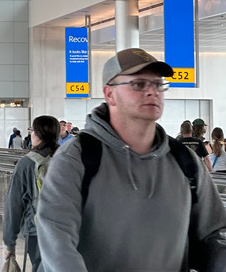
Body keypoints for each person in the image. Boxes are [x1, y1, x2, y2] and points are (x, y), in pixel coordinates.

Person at [36, 48, 226, 271]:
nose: (152, 92)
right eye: (138, 84)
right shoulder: (77, 159)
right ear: (109, 94)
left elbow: (212, 234)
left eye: (158, 84)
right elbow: (57, 245)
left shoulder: (184, 161)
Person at [3, 115, 59, 272]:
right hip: (68, 229)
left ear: (39, 134)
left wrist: (10, 242)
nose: (31, 134)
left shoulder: (27, 163)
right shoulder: (68, 158)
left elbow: (14, 204)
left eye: (32, 131)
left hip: (37, 230)